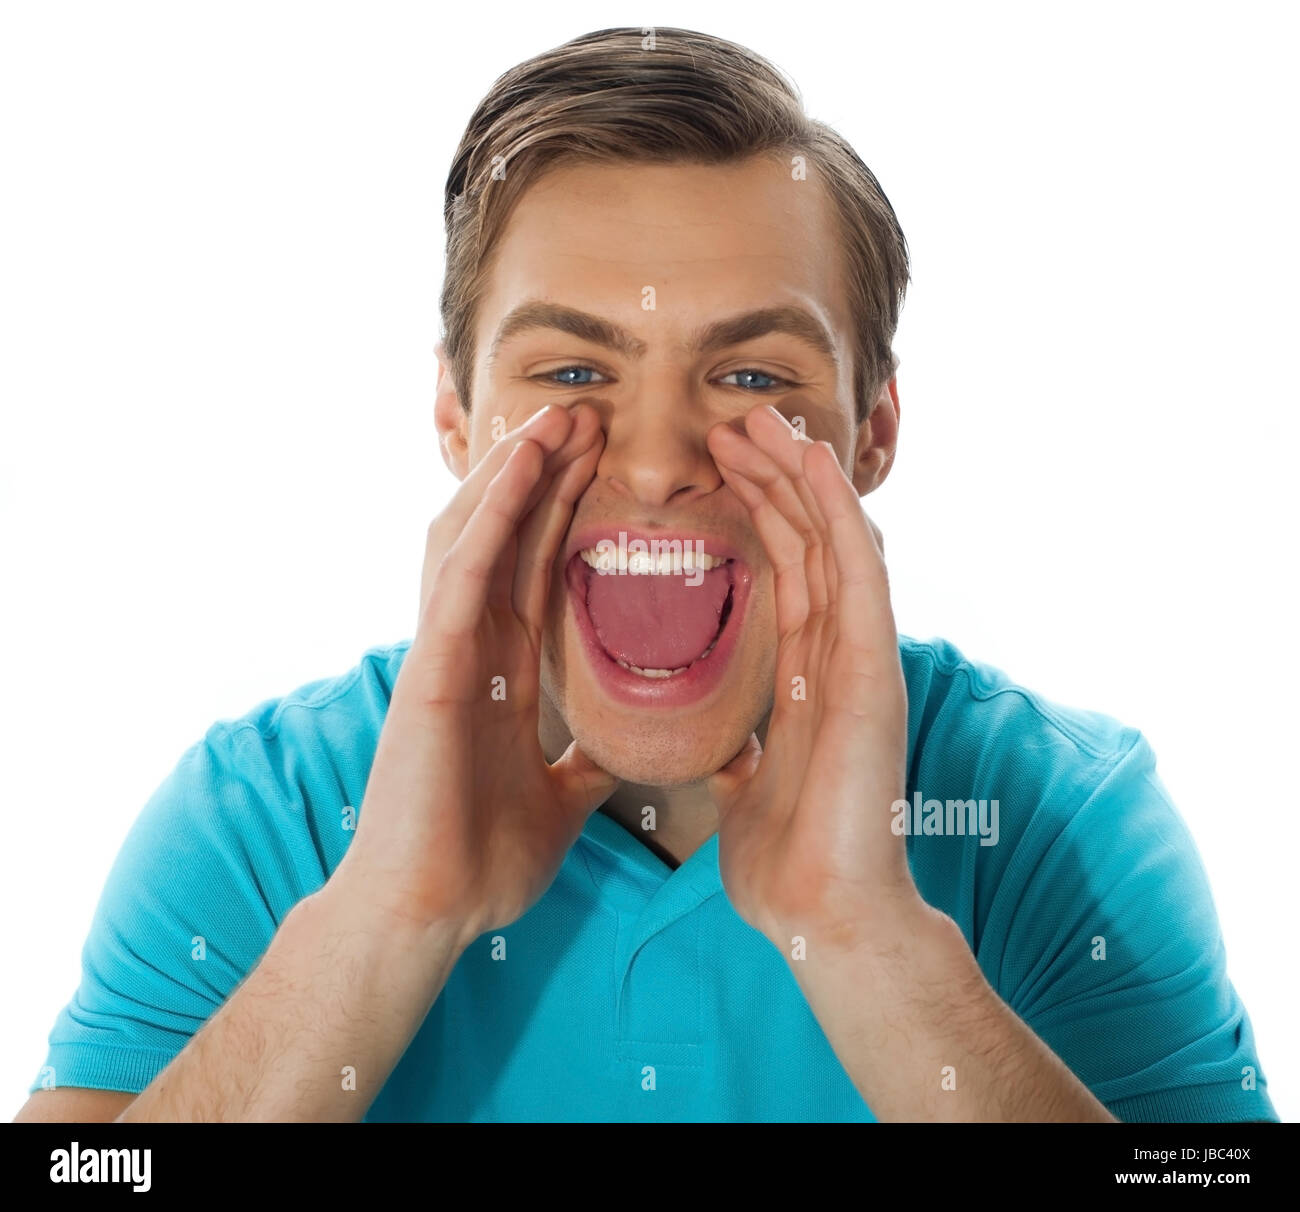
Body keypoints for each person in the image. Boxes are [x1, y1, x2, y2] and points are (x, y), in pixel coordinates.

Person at [15, 26, 1276, 1123]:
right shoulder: (262, 815)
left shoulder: (1054, 816)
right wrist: (385, 919)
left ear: (872, 431)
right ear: (455, 418)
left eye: (754, 378)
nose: (661, 459)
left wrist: (867, 941)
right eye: (569, 375)